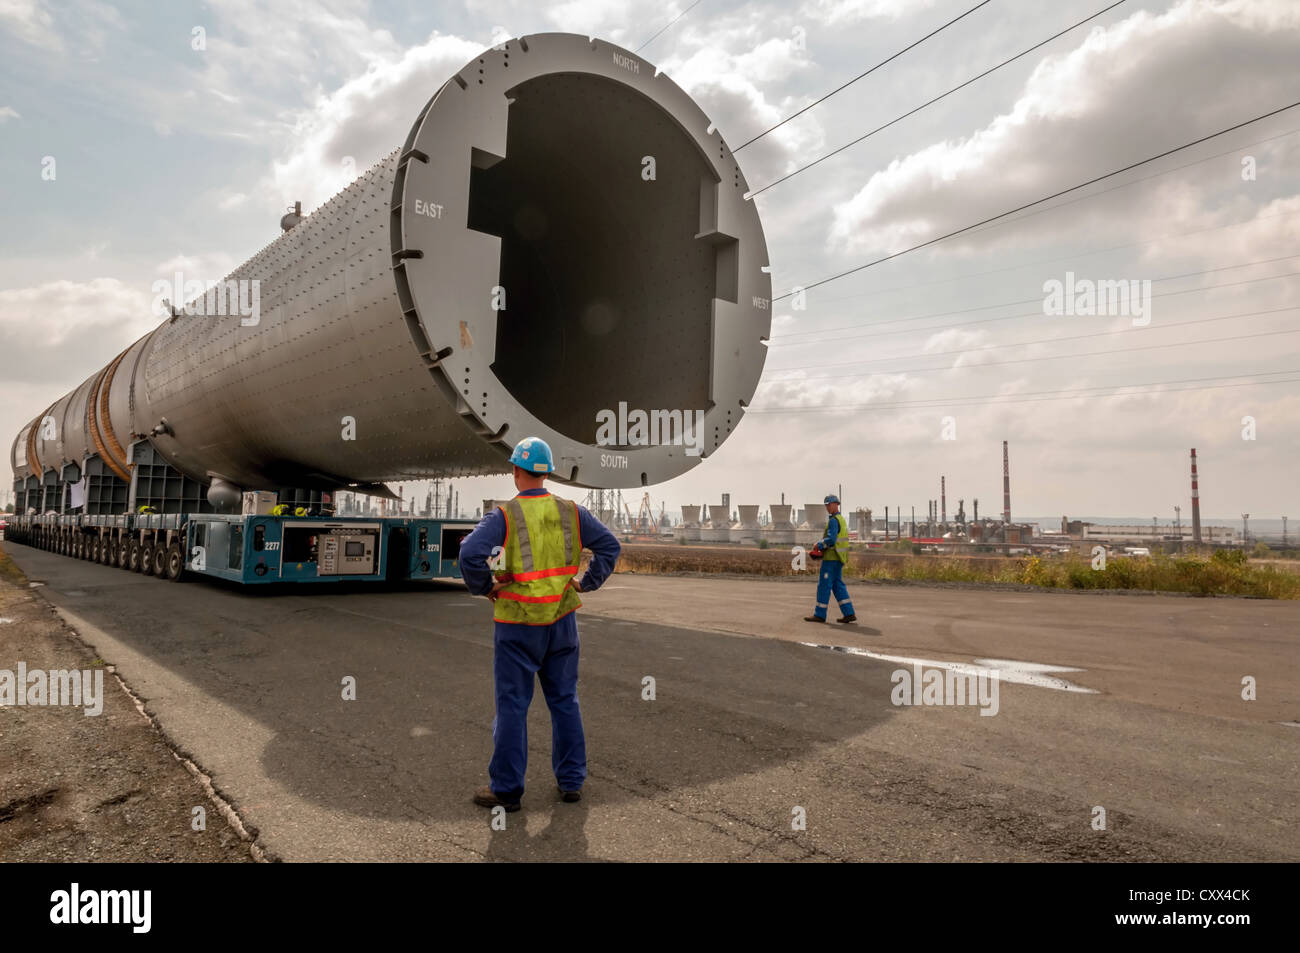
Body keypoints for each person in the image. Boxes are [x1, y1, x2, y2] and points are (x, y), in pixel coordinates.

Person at [459, 436, 621, 812]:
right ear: (546, 473)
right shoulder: (572, 512)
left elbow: (469, 553)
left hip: (518, 624)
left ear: (516, 471)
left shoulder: (505, 516)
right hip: (562, 621)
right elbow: (610, 546)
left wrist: (485, 587)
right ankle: (571, 782)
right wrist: (587, 581)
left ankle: (507, 790)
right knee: (565, 700)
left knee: (513, 705)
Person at [805, 494, 857, 624]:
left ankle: (820, 614)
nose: (827, 507)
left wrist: (819, 545)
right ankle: (849, 613)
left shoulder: (834, 520)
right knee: (837, 585)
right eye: (826, 505)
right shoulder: (842, 519)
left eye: (829, 504)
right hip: (839, 558)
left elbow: (832, 540)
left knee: (824, 585)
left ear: (836, 504)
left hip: (831, 559)